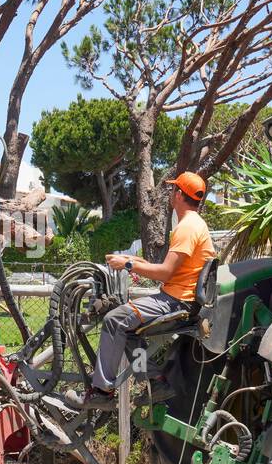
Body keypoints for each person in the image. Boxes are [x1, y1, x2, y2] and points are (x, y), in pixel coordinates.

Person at [67, 171, 217, 410]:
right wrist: (132, 259)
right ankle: (154, 380)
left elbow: (166, 273)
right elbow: (174, 270)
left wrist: (128, 264)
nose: (170, 194)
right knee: (129, 330)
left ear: (178, 194)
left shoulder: (187, 227)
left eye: (172, 190)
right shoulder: (195, 224)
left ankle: (101, 392)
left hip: (177, 302)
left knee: (115, 320)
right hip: (183, 300)